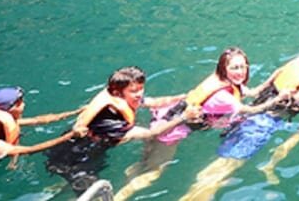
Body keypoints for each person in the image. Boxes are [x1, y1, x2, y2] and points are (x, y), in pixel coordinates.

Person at [115, 48, 287, 201]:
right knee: (153, 174)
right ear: (224, 68)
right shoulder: (225, 97)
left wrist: (273, 77)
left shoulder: (221, 80)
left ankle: (130, 178)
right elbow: (251, 110)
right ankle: (119, 197)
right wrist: (278, 99)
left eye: (243, 67)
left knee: (145, 164)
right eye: (235, 67)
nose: (240, 71)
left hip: (164, 118)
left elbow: (252, 92)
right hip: (169, 132)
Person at [182, 35, 299, 197]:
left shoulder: (298, 62)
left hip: (247, 115)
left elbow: (277, 74)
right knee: (224, 169)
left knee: (222, 166)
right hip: (260, 126)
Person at [45, 66, 194, 196]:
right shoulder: (111, 119)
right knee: (97, 195)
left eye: (141, 88)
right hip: (74, 160)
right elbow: (152, 133)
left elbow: (153, 102)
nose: (139, 94)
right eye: (134, 91)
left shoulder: (123, 97)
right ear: (118, 92)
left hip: (86, 150)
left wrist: (180, 98)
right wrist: (183, 117)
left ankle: (58, 188)